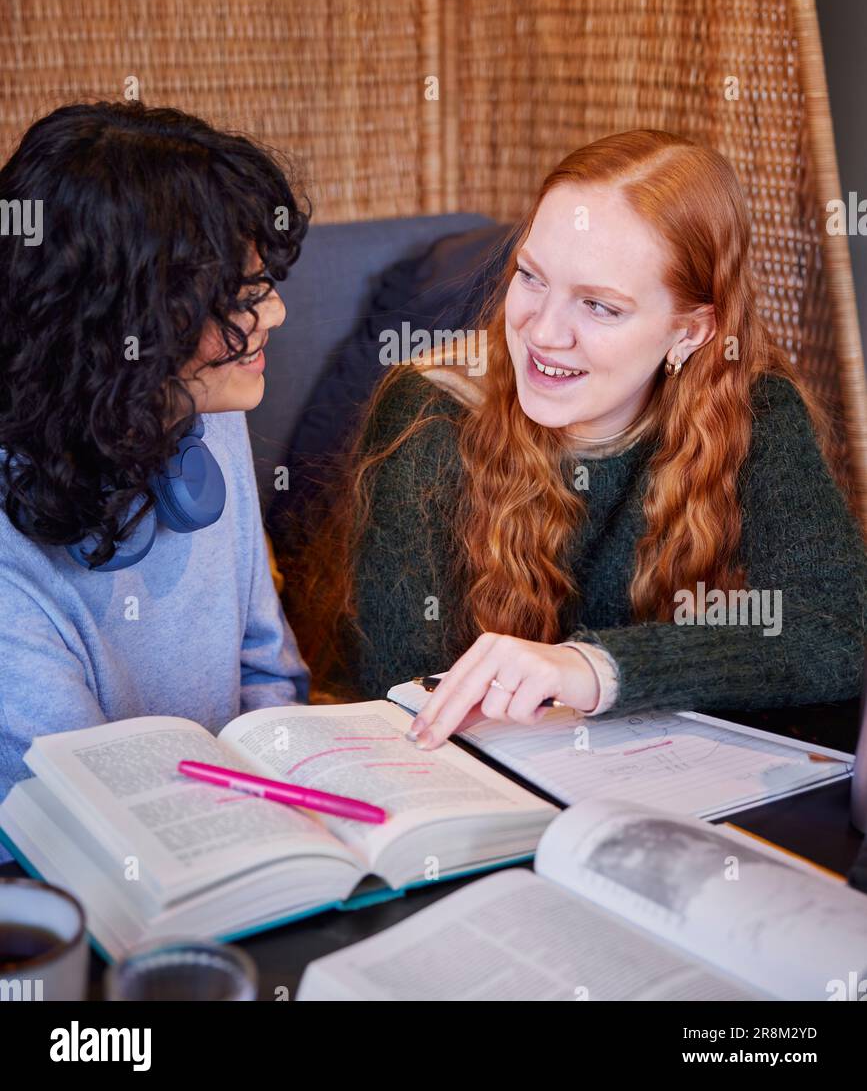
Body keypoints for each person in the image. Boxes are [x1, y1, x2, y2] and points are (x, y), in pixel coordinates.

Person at [290, 129, 867, 750]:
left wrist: (595, 669)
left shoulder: (754, 408)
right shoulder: (430, 411)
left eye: (599, 307)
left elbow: (840, 627)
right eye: (532, 277)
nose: (543, 333)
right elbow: (402, 694)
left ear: (692, 333)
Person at [0, 100, 310, 860]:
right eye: (237, 300)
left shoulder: (208, 401)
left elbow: (269, 668)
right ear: (118, 324)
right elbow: (81, 804)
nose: (273, 313)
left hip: (236, 833)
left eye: (262, 283)